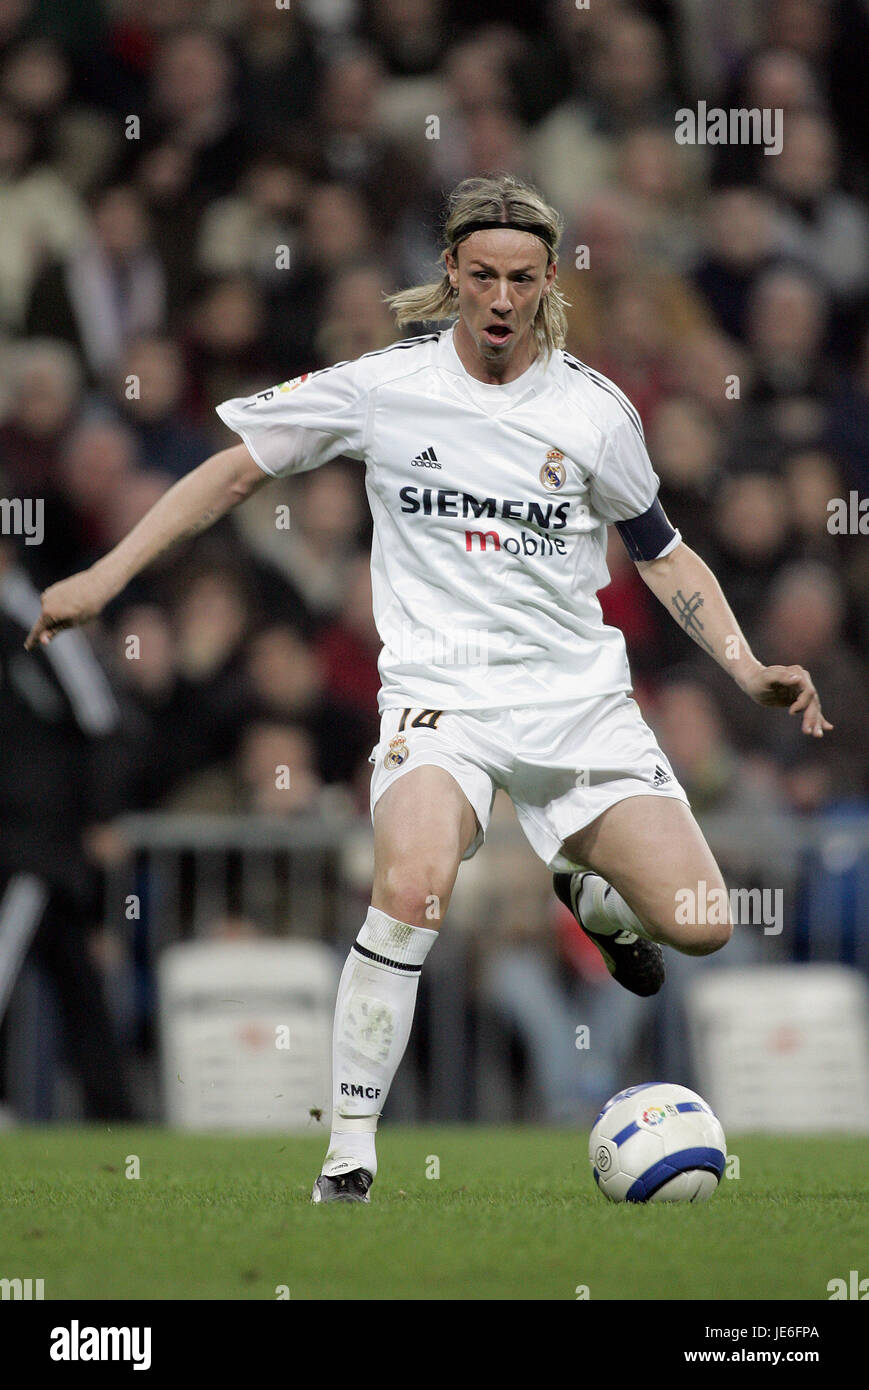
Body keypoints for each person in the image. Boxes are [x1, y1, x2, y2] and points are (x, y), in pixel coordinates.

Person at [24, 175, 832, 1203]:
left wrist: (744, 663)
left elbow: (663, 554)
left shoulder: (593, 409)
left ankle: (597, 901)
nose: (501, 297)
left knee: (701, 919)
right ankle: (349, 1152)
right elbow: (233, 472)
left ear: (548, 284)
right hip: (437, 701)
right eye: (482, 274)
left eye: (522, 278)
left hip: (576, 706)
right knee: (409, 885)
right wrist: (105, 574)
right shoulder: (381, 386)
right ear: (450, 272)